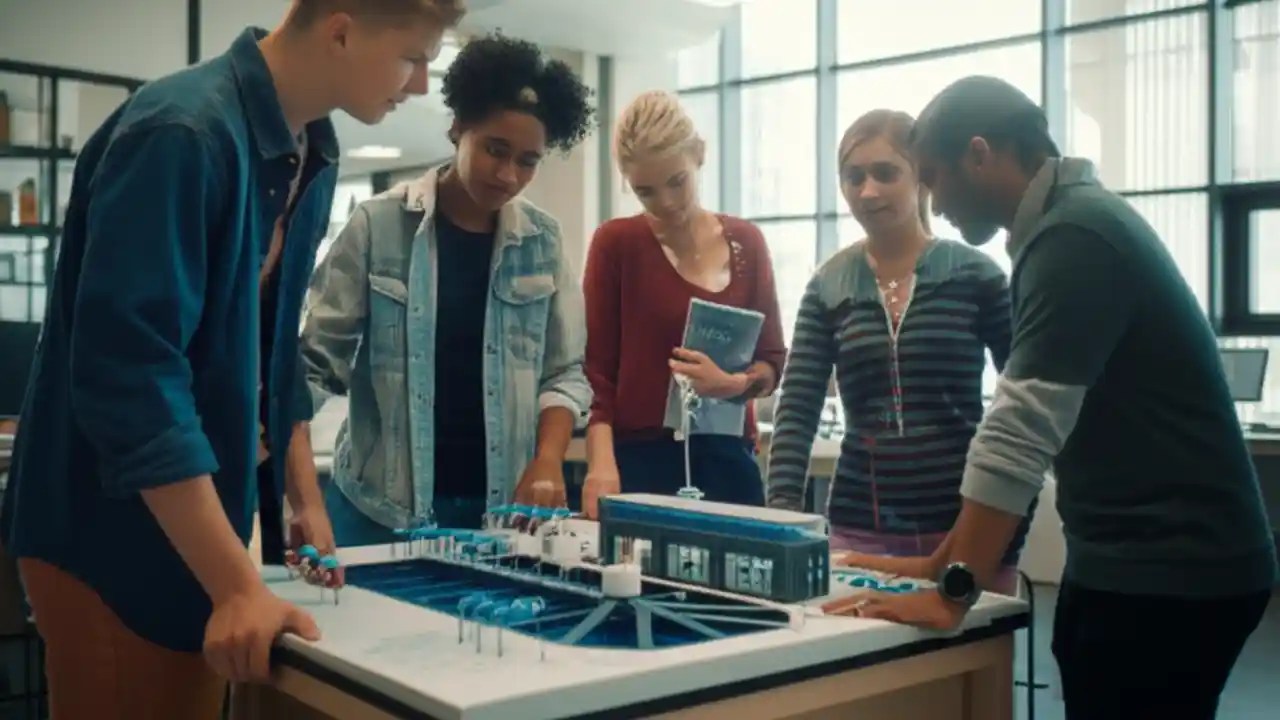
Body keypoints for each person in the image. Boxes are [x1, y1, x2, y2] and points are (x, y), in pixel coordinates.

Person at [0, 1, 463, 717]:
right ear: (341, 30)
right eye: (414, 56)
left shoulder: (309, 145)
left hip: (191, 523)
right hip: (106, 529)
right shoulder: (179, 132)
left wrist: (302, 495)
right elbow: (131, 381)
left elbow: (275, 350)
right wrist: (237, 584)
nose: (422, 85)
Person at [823, 76, 1277, 719]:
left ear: (979, 154)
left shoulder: (1075, 237)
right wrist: (938, 563)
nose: (933, 198)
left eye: (932, 176)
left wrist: (954, 590)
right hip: (1150, 561)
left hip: (1172, 569)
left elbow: (1019, 428)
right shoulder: (1067, 225)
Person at [301, 33, 595, 544]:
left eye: (528, 160)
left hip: (501, 515)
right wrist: (295, 493)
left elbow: (564, 372)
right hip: (378, 513)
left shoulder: (543, 242)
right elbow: (315, 367)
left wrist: (548, 459)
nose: (507, 174)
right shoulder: (378, 226)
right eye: (494, 150)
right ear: (458, 128)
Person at [766, 109, 1030, 595]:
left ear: (922, 179)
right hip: (858, 529)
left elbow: (1026, 403)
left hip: (963, 528)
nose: (868, 191)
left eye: (886, 173)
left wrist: (1007, 531)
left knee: (968, 670)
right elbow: (797, 409)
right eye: (854, 177)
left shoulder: (977, 276)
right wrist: (782, 520)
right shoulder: (829, 284)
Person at [581, 91, 787, 517]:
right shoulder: (616, 244)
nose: (667, 203)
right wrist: (600, 465)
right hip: (639, 459)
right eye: (645, 191)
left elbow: (771, 362)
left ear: (699, 155)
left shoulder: (746, 243)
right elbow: (596, 372)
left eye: (677, 182)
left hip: (728, 457)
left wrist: (732, 385)